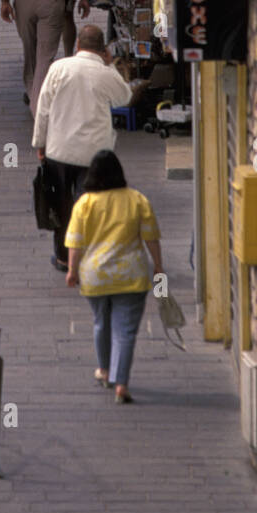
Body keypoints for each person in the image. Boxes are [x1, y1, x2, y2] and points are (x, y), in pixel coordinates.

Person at [65, 149, 164, 403]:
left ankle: (105, 370)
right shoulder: (136, 200)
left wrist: (72, 271)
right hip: (131, 275)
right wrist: (158, 265)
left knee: (101, 322)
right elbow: (150, 236)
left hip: (96, 276)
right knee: (126, 331)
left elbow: (75, 243)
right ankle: (121, 383)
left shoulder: (84, 204)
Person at [33, 29, 135, 274]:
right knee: (88, 205)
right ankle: (88, 255)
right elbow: (124, 97)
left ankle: (63, 258)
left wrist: (40, 142)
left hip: (59, 150)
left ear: (77, 43)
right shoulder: (104, 73)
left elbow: (43, 107)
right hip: (93, 154)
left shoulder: (59, 68)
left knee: (61, 205)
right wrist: (110, 66)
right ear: (103, 50)